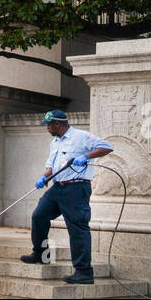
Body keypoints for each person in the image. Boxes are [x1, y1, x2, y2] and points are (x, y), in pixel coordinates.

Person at [21, 109, 112, 284]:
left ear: (57, 124)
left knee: (77, 228)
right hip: (57, 188)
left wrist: (86, 156)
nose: (46, 128)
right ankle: (40, 255)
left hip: (76, 188)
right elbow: (51, 166)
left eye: (48, 125)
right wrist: (45, 177)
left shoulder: (81, 136)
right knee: (38, 216)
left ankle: (84, 272)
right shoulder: (55, 142)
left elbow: (106, 147)